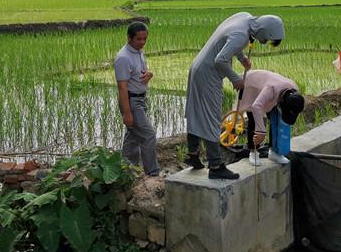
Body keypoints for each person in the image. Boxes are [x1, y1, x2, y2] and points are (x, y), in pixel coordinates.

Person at [184, 12, 285, 180]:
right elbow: (220, 60)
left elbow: (228, 42)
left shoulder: (244, 18)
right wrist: (236, 80)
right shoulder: (241, 35)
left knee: (196, 112)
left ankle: (193, 154)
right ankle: (216, 166)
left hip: (197, 67)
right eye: (266, 39)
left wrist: (241, 57)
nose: (263, 42)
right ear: (264, 32)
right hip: (209, 74)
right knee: (212, 117)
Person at [114, 21, 160, 177]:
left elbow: (140, 72)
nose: (142, 42)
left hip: (140, 99)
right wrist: (127, 113)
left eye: (144, 39)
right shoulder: (123, 58)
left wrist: (150, 73)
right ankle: (153, 174)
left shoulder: (138, 52)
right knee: (148, 135)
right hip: (132, 101)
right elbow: (122, 88)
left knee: (133, 137)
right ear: (129, 38)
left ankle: (126, 171)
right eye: (138, 39)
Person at [237, 69, 305, 165]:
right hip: (250, 86)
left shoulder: (293, 90)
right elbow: (256, 107)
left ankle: (274, 152)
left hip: (271, 91)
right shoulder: (271, 89)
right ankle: (253, 152)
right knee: (254, 120)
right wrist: (261, 132)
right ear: (282, 103)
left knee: (275, 120)